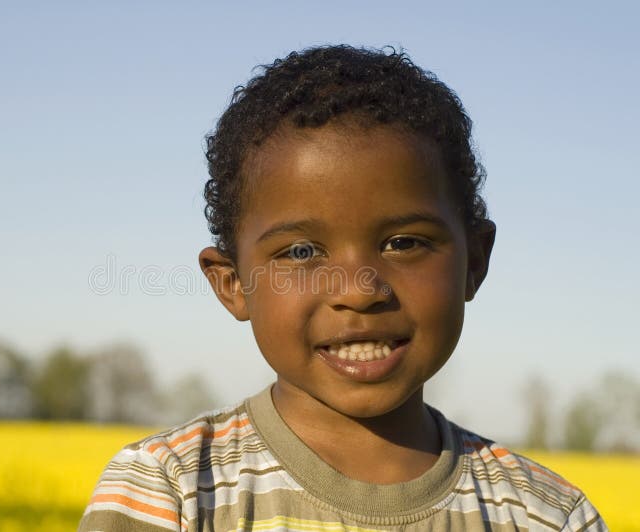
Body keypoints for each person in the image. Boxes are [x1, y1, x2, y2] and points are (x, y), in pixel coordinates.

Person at [78, 45, 606, 531]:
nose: (359, 290)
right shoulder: (171, 489)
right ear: (234, 283)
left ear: (475, 262)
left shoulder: (548, 515)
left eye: (403, 243)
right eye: (302, 252)